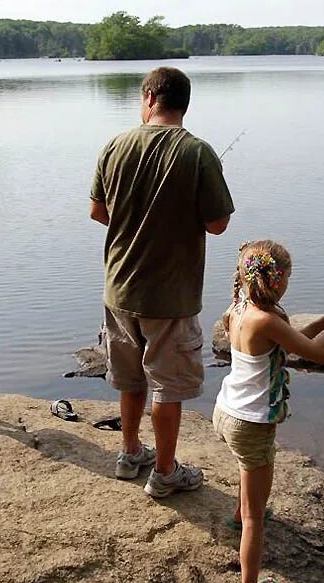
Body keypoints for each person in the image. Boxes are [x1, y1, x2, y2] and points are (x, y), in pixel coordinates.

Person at [89, 66, 234, 497]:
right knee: (167, 385)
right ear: (183, 103)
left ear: (150, 97)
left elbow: (97, 211)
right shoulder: (198, 151)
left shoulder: (115, 145)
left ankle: (131, 451)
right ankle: (166, 472)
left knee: (131, 378)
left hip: (119, 289)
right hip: (170, 296)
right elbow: (218, 223)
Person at [213, 240, 324, 583]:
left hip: (226, 411)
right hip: (251, 423)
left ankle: (239, 512)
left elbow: (295, 339)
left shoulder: (239, 309)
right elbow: (318, 354)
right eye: (289, 276)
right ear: (277, 281)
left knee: (247, 473)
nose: (290, 281)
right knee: (258, 517)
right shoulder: (268, 319)